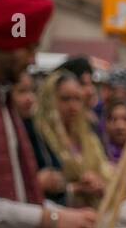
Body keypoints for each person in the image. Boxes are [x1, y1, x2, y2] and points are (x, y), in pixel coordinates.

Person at [0, 0, 97, 228]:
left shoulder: (0, 100)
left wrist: (63, 215)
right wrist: (50, 218)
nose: (33, 60)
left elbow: (18, 195)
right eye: (28, 47)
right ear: (3, 44)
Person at [35, 68, 113, 209]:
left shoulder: (87, 136)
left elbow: (104, 170)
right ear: (50, 99)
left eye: (77, 99)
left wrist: (100, 183)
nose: (73, 106)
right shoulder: (40, 136)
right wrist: (75, 188)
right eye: (65, 99)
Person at [10, 67, 67, 200]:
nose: (30, 98)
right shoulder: (7, 130)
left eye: (32, 91)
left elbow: (56, 167)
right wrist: (37, 182)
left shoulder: (33, 127)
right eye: (22, 91)